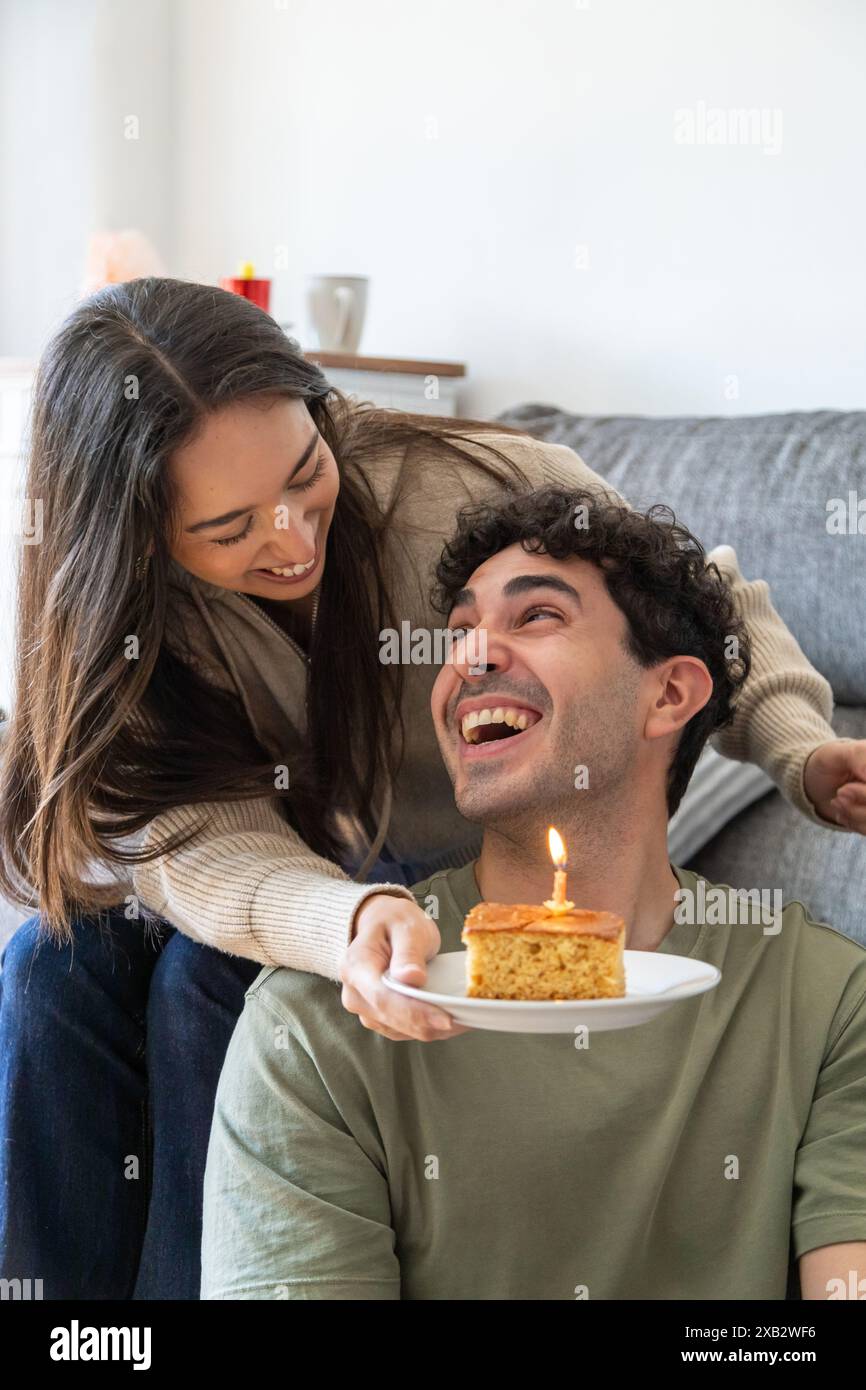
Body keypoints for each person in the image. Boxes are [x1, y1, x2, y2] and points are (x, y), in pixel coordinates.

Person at [1, 279, 864, 1300]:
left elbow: (687, 604)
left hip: (422, 847)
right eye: (229, 528)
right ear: (138, 537)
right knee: (52, 968)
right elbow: (192, 837)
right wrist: (343, 917)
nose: (288, 541)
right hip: (281, 863)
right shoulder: (122, 615)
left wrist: (795, 744)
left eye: (305, 474)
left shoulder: (467, 484)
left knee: (209, 988)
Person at [202, 487, 866, 1300]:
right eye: (459, 632)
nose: (470, 658)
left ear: (670, 694)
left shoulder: (829, 1002)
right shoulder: (319, 1019)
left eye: (537, 617)